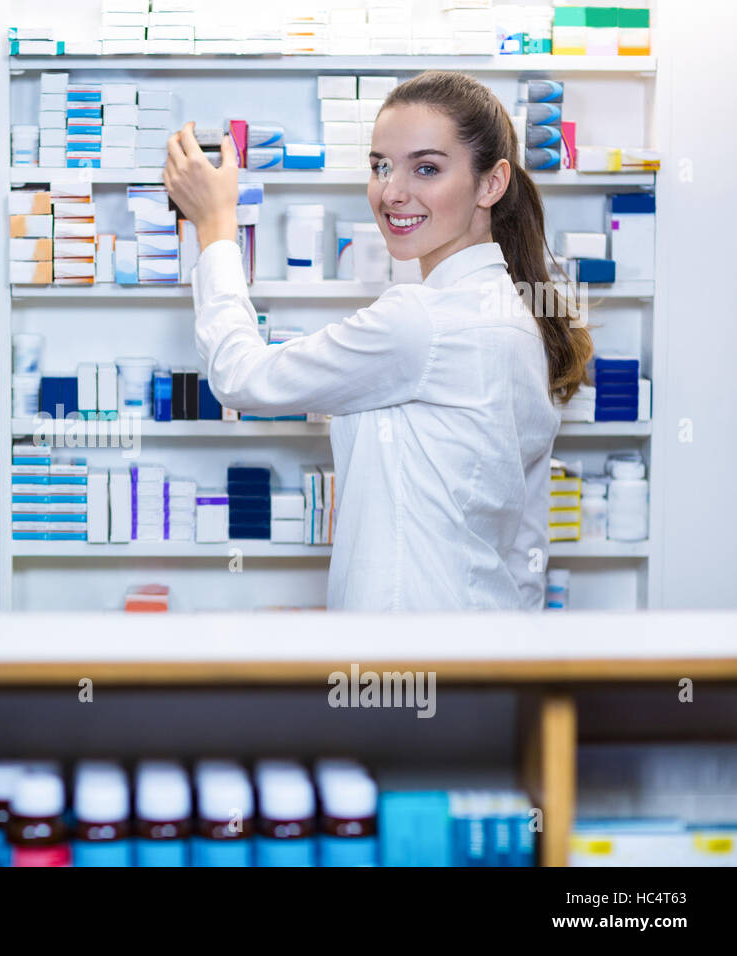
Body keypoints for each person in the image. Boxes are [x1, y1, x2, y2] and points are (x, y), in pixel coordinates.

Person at [162, 70, 593, 611]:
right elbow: (526, 540)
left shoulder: (421, 321)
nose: (392, 191)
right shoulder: (525, 320)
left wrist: (216, 230)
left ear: (492, 183)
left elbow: (240, 377)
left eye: (427, 168)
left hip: (408, 659)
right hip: (488, 651)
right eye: (380, 166)